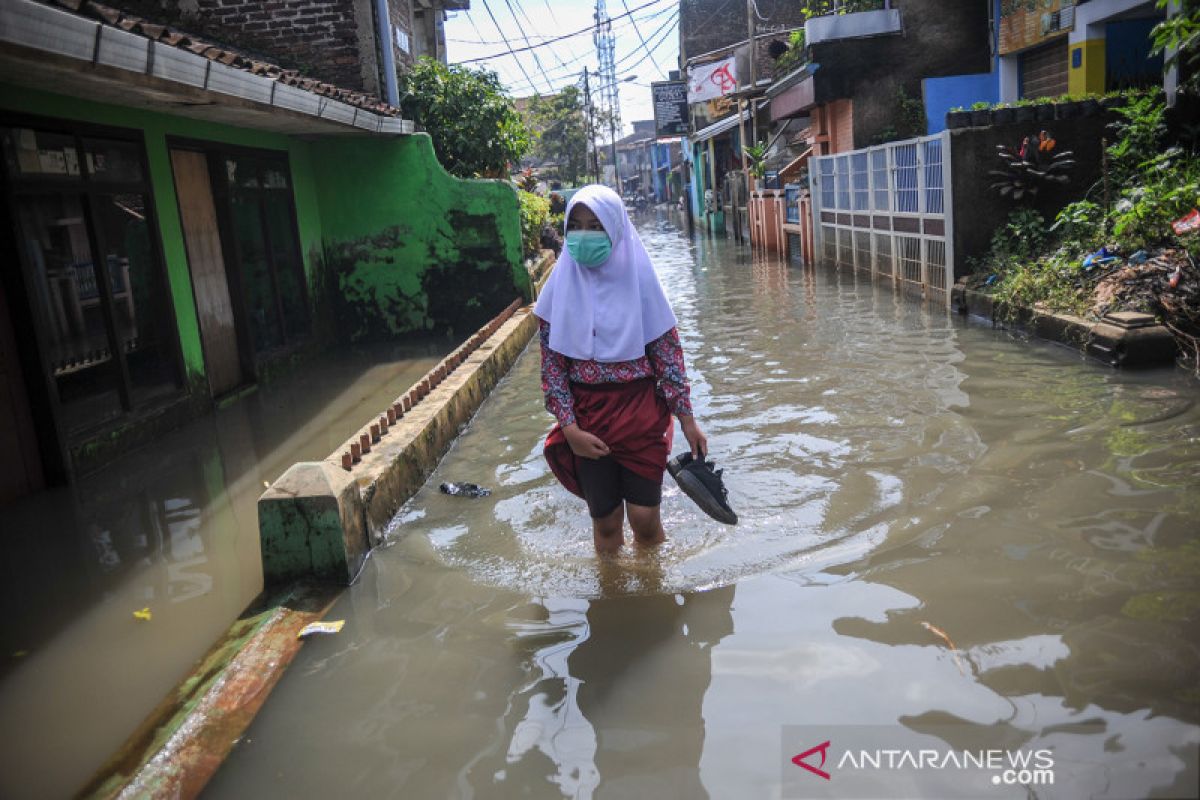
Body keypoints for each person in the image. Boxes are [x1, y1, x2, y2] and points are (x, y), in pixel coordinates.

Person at [535, 184, 707, 554]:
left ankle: (653, 595)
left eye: (595, 225)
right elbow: (553, 370)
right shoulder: (558, 289)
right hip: (587, 421)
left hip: (641, 416)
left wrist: (688, 419)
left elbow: (668, 358)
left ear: (614, 227)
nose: (584, 235)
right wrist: (570, 429)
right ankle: (611, 598)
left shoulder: (642, 282)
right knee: (607, 525)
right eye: (575, 225)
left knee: (645, 521)